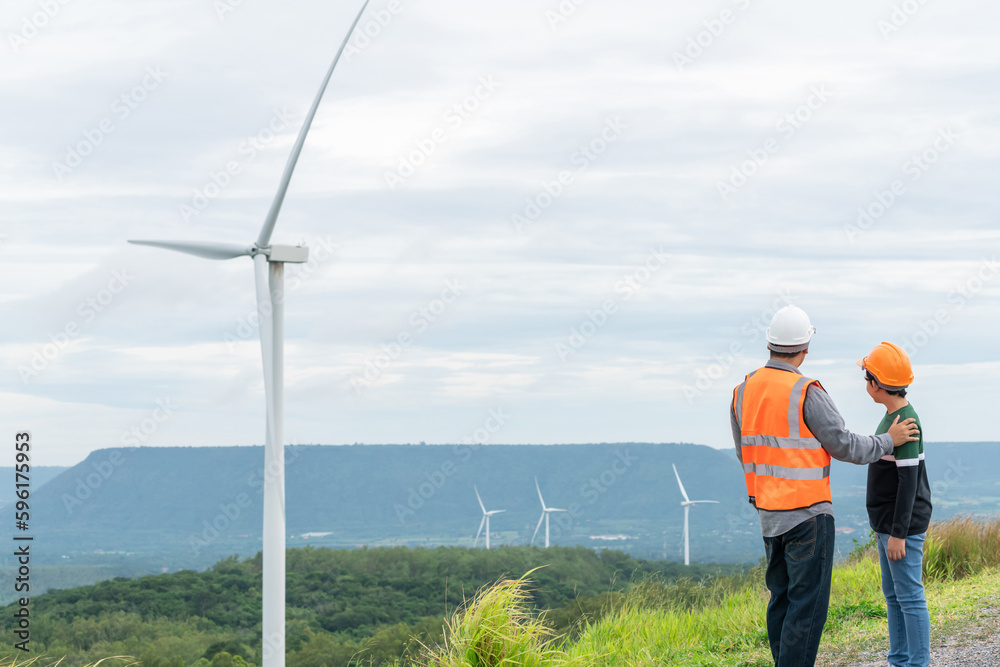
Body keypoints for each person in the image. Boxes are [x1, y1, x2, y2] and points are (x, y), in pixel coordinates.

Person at [730, 305, 920, 667]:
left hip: (769, 516)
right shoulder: (805, 391)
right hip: (808, 517)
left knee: (781, 602)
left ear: (769, 344)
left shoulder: (742, 391)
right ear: (805, 348)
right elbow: (845, 445)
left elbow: (746, 454)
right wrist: (889, 441)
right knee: (807, 609)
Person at [859, 342, 932, 667]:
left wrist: (899, 534)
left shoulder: (906, 422)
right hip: (887, 525)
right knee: (894, 597)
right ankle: (899, 660)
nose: (865, 384)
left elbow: (908, 482)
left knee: (910, 598)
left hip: (899, 528)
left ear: (876, 383)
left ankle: (916, 663)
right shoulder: (894, 418)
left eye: (866, 377)